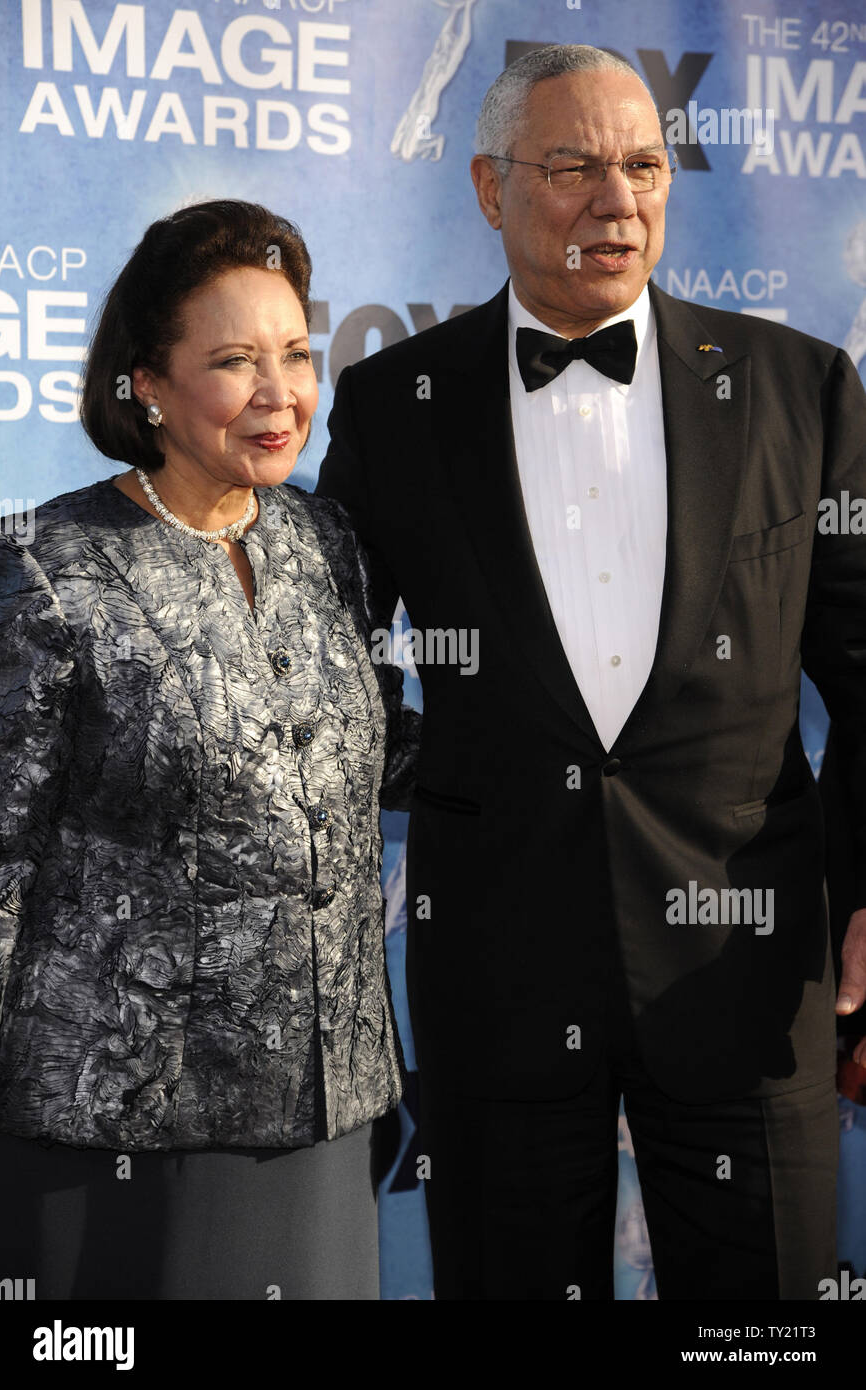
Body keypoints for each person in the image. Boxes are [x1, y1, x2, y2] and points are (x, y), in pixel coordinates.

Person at [317, 44, 866, 1299]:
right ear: (489, 188)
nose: (617, 201)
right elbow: (327, 673)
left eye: (644, 165)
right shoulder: (394, 403)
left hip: (746, 973)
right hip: (497, 972)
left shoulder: (800, 388)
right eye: (571, 166)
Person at [0, 199, 418, 1300]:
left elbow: (363, 763)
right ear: (148, 383)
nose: (280, 394)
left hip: (325, 1116)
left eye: (294, 355)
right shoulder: (48, 565)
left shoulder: (328, 545)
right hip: (114, 1134)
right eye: (234, 361)